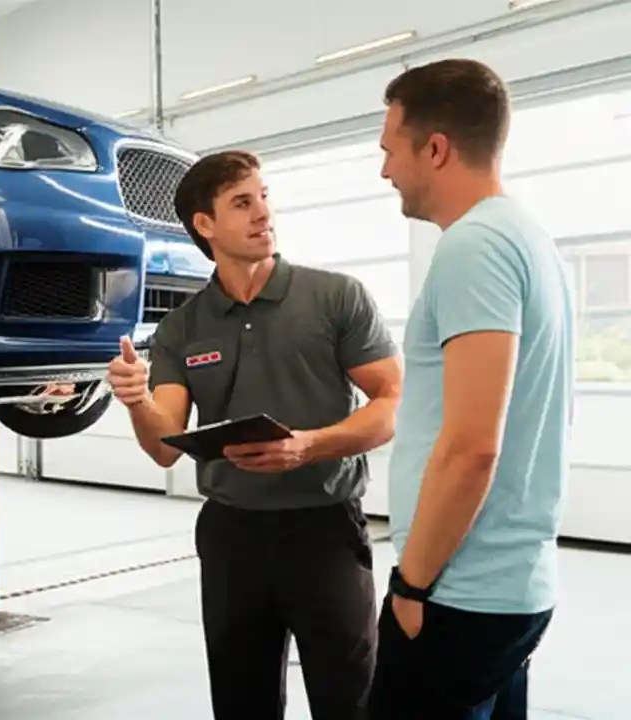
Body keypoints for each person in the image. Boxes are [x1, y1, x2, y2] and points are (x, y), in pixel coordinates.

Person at [106, 149, 403, 719]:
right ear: (205, 225)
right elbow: (164, 444)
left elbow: (392, 404)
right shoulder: (180, 329)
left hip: (324, 530)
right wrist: (138, 400)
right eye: (243, 202)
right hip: (231, 539)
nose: (263, 212)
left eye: (264, 197)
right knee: (243, 702)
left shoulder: (336, 297)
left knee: (350, 699)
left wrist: (308, 445)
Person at [369, 58, 575, 718]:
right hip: (508, 587)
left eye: (390, 150)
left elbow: (471, 447)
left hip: (461, 593)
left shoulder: (475, 246)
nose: (384, 171)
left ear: (435, 149)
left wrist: (411, 584)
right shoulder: (526, 239)